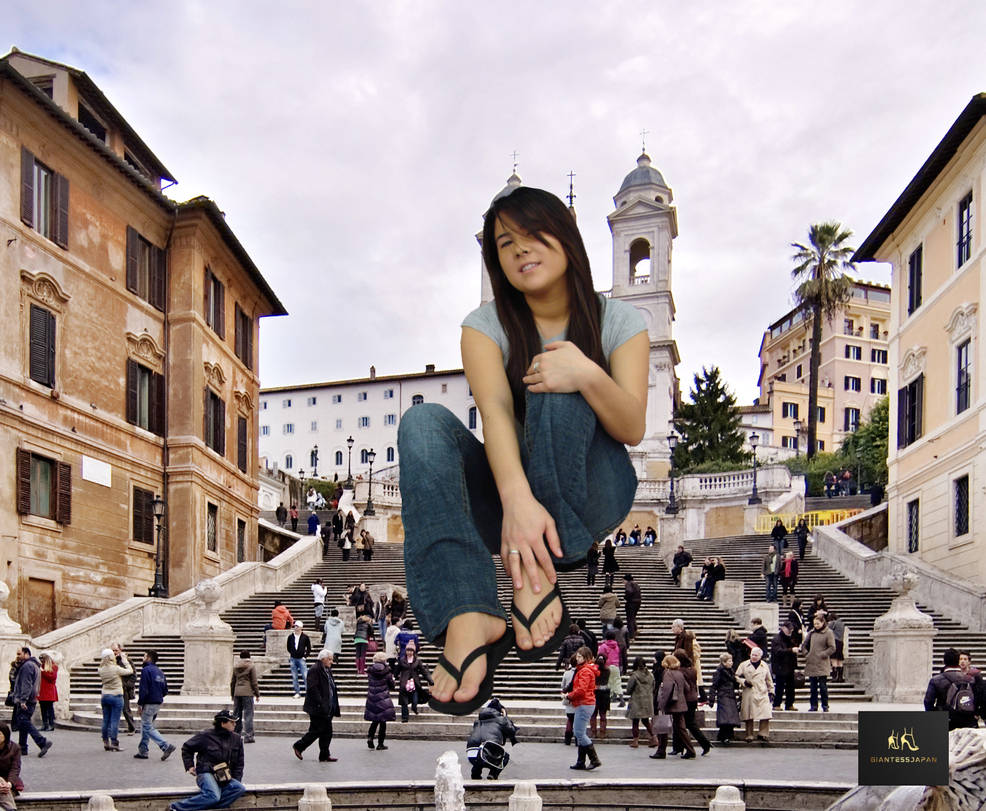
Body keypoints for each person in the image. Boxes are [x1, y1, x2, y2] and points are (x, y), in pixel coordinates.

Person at [398, 188, 646, 717]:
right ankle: (470, 612)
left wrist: (585, 371)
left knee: (556, 373)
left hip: (593, 489)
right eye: (505, 244)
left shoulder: (621, 321)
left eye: (533, 235)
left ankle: (536, 576)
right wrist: (514, 500)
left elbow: (631, 426)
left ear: (568, 238)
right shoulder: (482, 326)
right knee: (422, 423)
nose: (520, 251)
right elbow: (492, 412)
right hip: (513, 499)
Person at [171, 710, 245, 811]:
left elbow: (239, 763)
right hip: (206, 772)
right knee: (213, 796)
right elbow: (187, 748)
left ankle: (212, 808)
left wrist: (236, 780)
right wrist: (190, 766)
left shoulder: (237, 739)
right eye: (232, 722)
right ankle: (175, 808)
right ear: (223, 723)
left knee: (239, 788)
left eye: (235, 722)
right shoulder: (205, 736)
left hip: (224, 775)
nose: (235, 724)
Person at [292, 650, 341, 762]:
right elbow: (313, 689)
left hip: (327, 707)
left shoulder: (326, 669)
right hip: (317, 707)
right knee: (317, 730)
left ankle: (324, 754)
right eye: (329, 659)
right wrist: (321, 703)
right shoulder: (315, 669)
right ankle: (299, 746)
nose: (331, 661)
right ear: (323, 659)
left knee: (327, 732)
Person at [134, 650, 176, 760]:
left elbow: (143, 689)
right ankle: (143, 750)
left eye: (144, 656)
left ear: (148, 658)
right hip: (157, 702)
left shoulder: (146, 670)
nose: (142, 658)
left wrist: (140, 704)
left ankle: (165, 745)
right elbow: (165, 689)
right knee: (146, 725)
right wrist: (158, 696)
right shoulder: (159, 671)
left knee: (147, 726)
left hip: (149, 702)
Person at [924, 648, 979, 729]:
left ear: (944, 662)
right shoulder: (971, 679)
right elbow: (978, 699)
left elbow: (928, 702)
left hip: (945, 720)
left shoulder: (936, 680)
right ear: (958, 661)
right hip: (967, 720)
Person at [566, 647, 601, 770]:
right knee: (580, 732)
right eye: (577, 656)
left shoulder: (585, 671)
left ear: (586, 658)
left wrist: (569, 696)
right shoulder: (584, 669)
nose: (577, 658)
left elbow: (581, 690)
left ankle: (594, 759)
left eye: (580, 656)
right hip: (585, 703)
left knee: (579, 732)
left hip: (584, 703)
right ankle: (580, 761)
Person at [11, 648, 50, 758]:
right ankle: (22, 747)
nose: (18, 656)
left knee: (24, 721)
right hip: (31, 698)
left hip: (27, 699)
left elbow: (26, 684)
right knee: (23, 722)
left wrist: (23, 700)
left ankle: (42, 741)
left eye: (20, 654)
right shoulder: (34, 665)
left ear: (26, 654)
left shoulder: (27, 666)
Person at [466, 698, 517, 780]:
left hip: (471, 753)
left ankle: (475, 774)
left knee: (481, 751)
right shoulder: (501, 720)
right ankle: (493, 774)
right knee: (505, 757)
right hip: (487, 754)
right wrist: (505, 717)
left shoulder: (477, 722)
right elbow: (512, 732)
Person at [654, 652, 693, 759]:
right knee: (681, 728)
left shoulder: (668, 674)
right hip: (681, 704)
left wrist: (661, 704)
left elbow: (666, 690)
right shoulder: (679, 673)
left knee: (663, 728)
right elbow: (687, 688)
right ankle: (690, 750)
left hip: (670, 704)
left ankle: (661, 751)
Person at [676, 650, 711, 756]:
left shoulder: (680, 671)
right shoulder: (692, 669)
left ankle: (703, 744)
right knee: (690, 724)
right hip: (693, 698)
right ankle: (702, 744)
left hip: (685, 699)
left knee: (687, 724)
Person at [735, 647, 773, 744]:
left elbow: (769, 679)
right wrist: (743, 682)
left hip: (762, 691)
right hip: (749, 691)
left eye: (756, 655)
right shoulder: (744, 665)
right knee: (749, 714)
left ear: (760, 656)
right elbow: (736, 676)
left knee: (765, 714)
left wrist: (771, 691)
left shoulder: (764, 666)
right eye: (752, 655)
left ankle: (763, 734)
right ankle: (749, 734)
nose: (754, 657)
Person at [98, 647, 131, 752]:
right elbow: (130, 671)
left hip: (105, 696)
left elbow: (105, 664)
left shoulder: (101, 669)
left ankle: (105, 741)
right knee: (114, 721)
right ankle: (114, 743)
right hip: (116, 695)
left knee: (105, 720)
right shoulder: (116, 669)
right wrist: (125, 661)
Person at [802, 614, 836, 712]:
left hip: (822, 663)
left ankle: (825, 705)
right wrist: (806, 654)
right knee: (813, 687)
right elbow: (804, 645)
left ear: (823, 622)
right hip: (811, 662)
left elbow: (832, 647)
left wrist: (823, 654)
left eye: (818, 623)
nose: (816, 625)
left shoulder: (828, 633)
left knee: (822, 686)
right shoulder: (811, 633)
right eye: (815, 624)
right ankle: (813, 705)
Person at [364, 652, 396, 750]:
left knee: (374, 720)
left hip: (372, 697)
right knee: (383, 721)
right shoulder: (387, 672)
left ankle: (370, 738)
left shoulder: (370, 671)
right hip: (383, 698)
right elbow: (392, 686)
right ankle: (380, 744)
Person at [229, 651, 260, 744]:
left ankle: (235, 735)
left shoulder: (235, 666)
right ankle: (249, 736)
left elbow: (232, 682)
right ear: (249, 657)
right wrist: (257, 694)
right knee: (248, 715)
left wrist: (232, 694)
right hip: (248, 692)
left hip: (237, 693)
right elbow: (254, 682)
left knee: (236, 715)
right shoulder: (251, 666)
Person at [625, 656, 656, 748]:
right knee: (646, 720)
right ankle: (654, 737)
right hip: (648, 700)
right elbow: (653, 687)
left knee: (635, 721)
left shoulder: (634, 676)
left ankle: (635, 741)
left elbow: (628, 690)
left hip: (636, 700)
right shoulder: (650, 675)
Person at [710, 653, 741, 744]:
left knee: (730, 715)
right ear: (724, 662)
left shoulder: (731, 671)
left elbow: (734, 683)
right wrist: (711, 699)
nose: (732, 662)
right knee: (725, 716)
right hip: (723, 695)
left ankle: (727, 734)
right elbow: (714, 686)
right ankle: (724, 735)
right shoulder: (719, 672)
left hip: (730, 695)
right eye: (729, 661)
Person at [396, 644, 433, 722]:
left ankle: (414, 707)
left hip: (415, 683)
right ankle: (405, 717)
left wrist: (430, 680)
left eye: (411, 651)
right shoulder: (402, 660)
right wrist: (395, 677)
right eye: (408, 650)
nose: (409, 652)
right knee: (404, 701)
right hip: (404, 683)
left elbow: (424, 672)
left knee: (415, 699)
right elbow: (397, 671)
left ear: (414, 651)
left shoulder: (417, 661)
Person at [770, 622, 799, 711]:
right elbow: (778, 651)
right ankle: (776, 704)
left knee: (791, 687)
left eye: (791, 630)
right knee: (779, 687)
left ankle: (789, 704)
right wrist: (791, 650)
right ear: (783, 628)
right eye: (788, 629)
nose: (790, 631)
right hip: (780, 666)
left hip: (790, 666)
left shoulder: (791, 638)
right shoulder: (776, 639)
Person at [112, 642, 137, 735]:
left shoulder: (126, 660)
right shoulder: (111, 661)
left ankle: (132, 727)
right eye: (113, 650)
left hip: (124, 688)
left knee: (125, 709)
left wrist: (127, 685)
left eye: (116, 650)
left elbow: (133, 674)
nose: (114, 652)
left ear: (120, 650)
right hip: (115, 688)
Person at [0, 723, 22, 811]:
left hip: (8, 783)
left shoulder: (15, 748)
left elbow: (15, 768)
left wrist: (9, 784)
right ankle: (11, 809)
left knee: (4, 789)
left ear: (5, 735)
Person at [287, 621, 312, 699]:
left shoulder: (305, 637)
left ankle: (308, 692)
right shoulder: (291, 637)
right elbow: (288, 647)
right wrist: (292, 653)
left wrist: (305, 656)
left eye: (297, 626)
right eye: (295, 626)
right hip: (293, 658)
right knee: (295, 676)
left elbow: (308, 648)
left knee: (305, 676)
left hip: (301, 658)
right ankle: (297, 692)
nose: (296, 627)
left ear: (301, 627)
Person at [590, 654, 612, 739]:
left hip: (594, 693)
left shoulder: (593, 670)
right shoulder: (608, 670)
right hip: (605, 693)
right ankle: (602, 732)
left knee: (593, 714)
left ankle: (593, 732)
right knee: (603, 714)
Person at [37, 653, 58, 732]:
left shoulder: (54, 667)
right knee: (43, 709)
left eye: (43, 660)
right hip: (42, 690)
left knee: (49, 709)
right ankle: (44, 724)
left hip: (49, 691)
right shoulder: (41, 667)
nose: (42, 662)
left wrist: (43, 672)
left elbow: (52, 677)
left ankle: (51, 724)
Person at [560, 656, 576, 745]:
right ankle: (578, 739)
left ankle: (567, 739)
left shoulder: (567, 673)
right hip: (577, 699)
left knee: (570, 719)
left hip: (568, 698)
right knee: (578, 721)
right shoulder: (580, 673)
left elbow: (563, 686)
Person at [828, 611, 847, 683]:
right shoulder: (842, 623)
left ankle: (835, 676)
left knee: (834, 659)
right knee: (840, 660)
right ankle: (840, 677)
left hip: (835, 641)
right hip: (841, 642)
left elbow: (828, 630)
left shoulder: (833, 623)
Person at [623, 574, 642, 641]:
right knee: (633, 617)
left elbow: (629, 591)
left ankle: (631, 635)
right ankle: (635, 629)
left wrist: (625, 597)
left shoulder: (629, 584)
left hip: (631, 603)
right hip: (638, 602)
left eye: (623, 580)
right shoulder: (636, 584)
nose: (623, 582)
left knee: (630, 619)